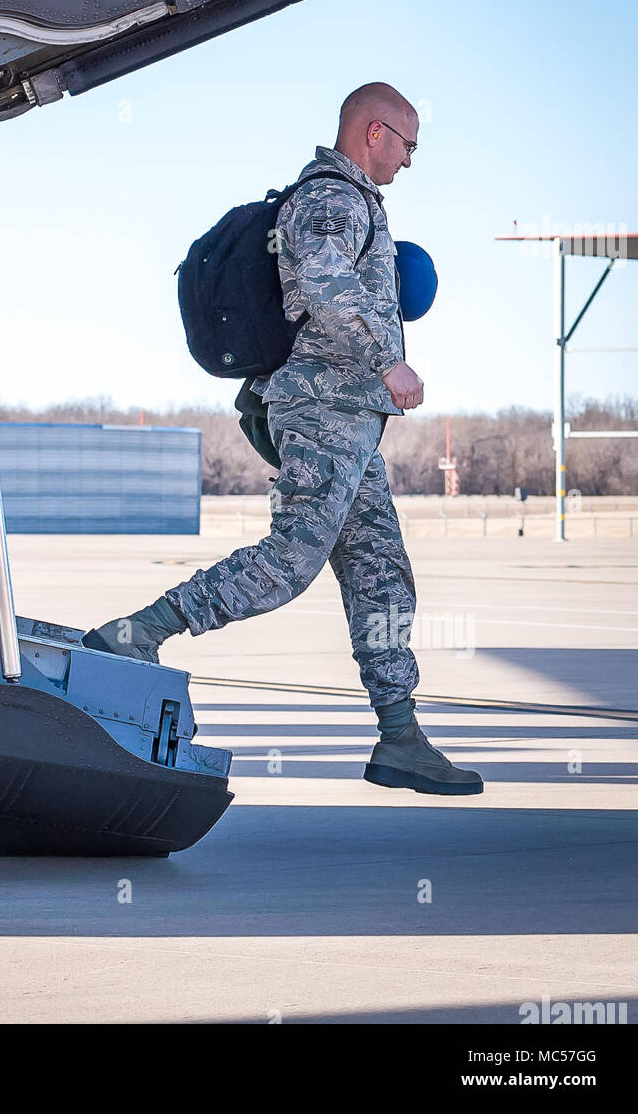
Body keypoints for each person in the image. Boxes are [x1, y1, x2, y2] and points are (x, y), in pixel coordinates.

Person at [84, 83, 482, 796]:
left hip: (352, 422)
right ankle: (139, 632)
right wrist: (388, 357)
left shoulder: (357, 200)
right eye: (409, 144)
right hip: (323, 412)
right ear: (374, 131)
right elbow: (328, 284)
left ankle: (401, 737)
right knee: (291, 559)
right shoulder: (332, 197)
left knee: (382, 576)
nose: (411, 161)